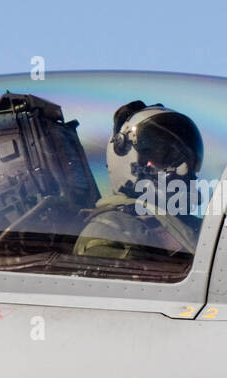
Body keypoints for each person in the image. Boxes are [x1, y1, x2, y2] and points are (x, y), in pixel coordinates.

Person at [74, 101, 204, 263]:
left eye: (185, 159)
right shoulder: (112, 231)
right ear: (127, 158)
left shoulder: (187, 224)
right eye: (165, 156)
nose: (184, 169)